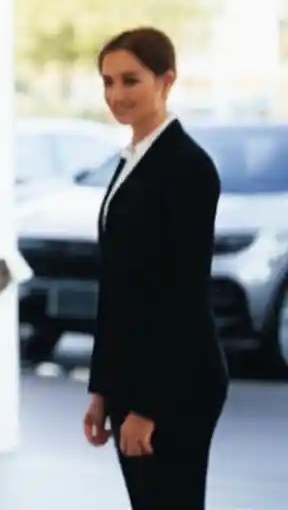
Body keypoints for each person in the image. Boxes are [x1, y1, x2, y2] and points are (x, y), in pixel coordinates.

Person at [82, 26, 228, 510]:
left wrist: (148, 406)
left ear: (167, 80)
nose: (116, 95)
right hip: (135, 379)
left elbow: (179, 296)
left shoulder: (187, 167)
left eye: (130, 80)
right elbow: (119, 289)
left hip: (176, 383)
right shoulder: (133, 160)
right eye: (107, 82)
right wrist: (102, 389)